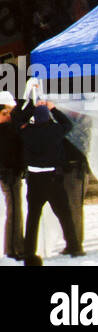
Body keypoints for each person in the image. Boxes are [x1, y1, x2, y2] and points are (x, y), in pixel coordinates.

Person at [19, 101, 81, 262]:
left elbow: (18, 122)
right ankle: (74, 246)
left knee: (32, 217)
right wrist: (53, 108)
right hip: (54, 178)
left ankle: (29, 251)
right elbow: (67, 124)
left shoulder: (27, 132)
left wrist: (31, 107)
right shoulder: (55, 130)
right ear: (48, 118)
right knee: (64, 214)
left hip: (34, 179)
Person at [0, 92, 22, 260]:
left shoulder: (9, 129)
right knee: (14, 210)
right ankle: (14, 247)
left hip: (10, 173)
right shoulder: (7, 130)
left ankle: (14, 246)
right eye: (6, 113)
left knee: (14, 210)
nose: (9, 116)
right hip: (9, 174)